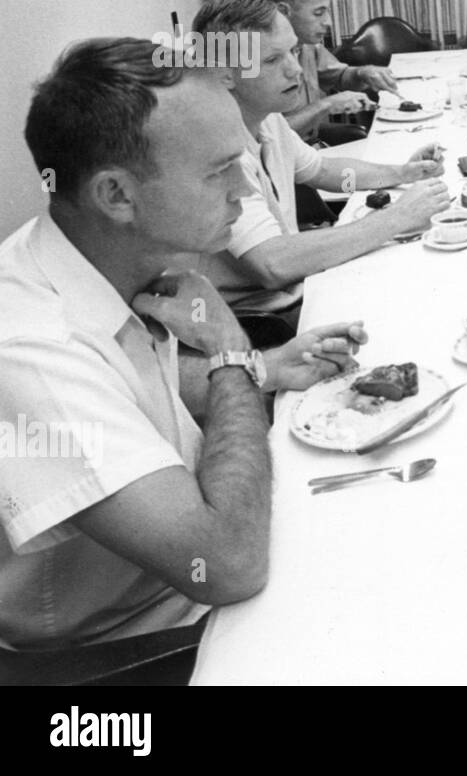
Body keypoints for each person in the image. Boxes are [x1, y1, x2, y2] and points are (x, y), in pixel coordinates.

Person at [0, 38, 368, 650]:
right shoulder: (30, 350)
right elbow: (227, 566)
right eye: (219, 170)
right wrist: (229, 359)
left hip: (194, 575)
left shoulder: (107, 259)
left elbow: (126, 390)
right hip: (143, 641)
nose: (245, 191)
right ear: (116, 195)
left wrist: (264, 366)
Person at [193, 0, 451, 319]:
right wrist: (398, 218)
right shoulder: (211, 148)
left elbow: (324, 170)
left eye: (292, 51)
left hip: (295, 291)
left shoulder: (265, 117)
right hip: (265, 323)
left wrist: (403, 173)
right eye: (273, 60)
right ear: (225, 74)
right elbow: (273, 264)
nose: (295, 69)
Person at [262, 0, 399, 139]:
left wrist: (363, 72)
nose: (328, 22)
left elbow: (340, 76)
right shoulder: (253, 60)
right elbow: (265, 137)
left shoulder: (308, 45)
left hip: (313, 150)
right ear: (282, 11)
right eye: (318, 13)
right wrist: (324, 105)